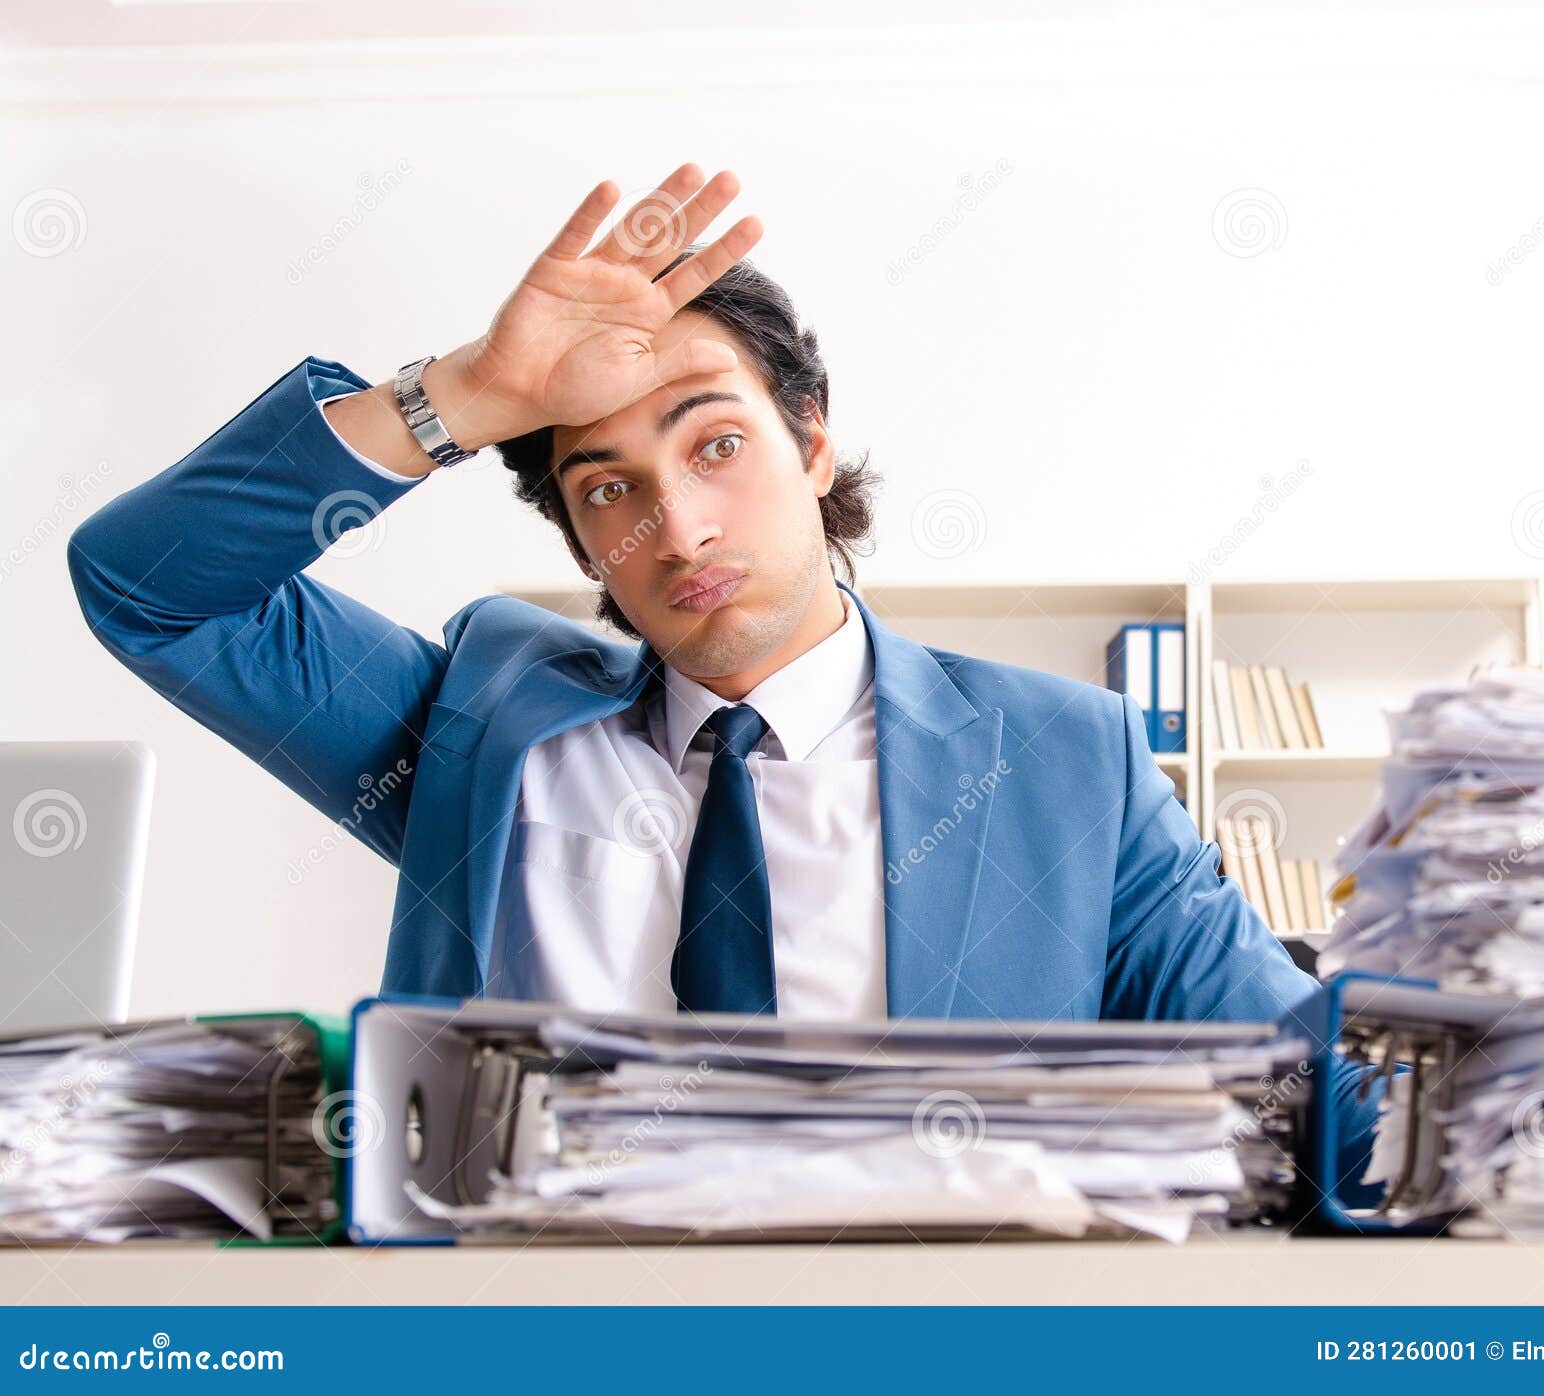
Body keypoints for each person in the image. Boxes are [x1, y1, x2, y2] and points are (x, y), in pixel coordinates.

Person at [67, 163, 1384, 1192]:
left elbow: (1315, 1093)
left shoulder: (1064, 765)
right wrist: (469, 393)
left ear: (812, 442)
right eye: (606, 488)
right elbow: (150, 586)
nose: (678, 529)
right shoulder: (479, 722)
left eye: (715, 445)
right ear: (580, 537)